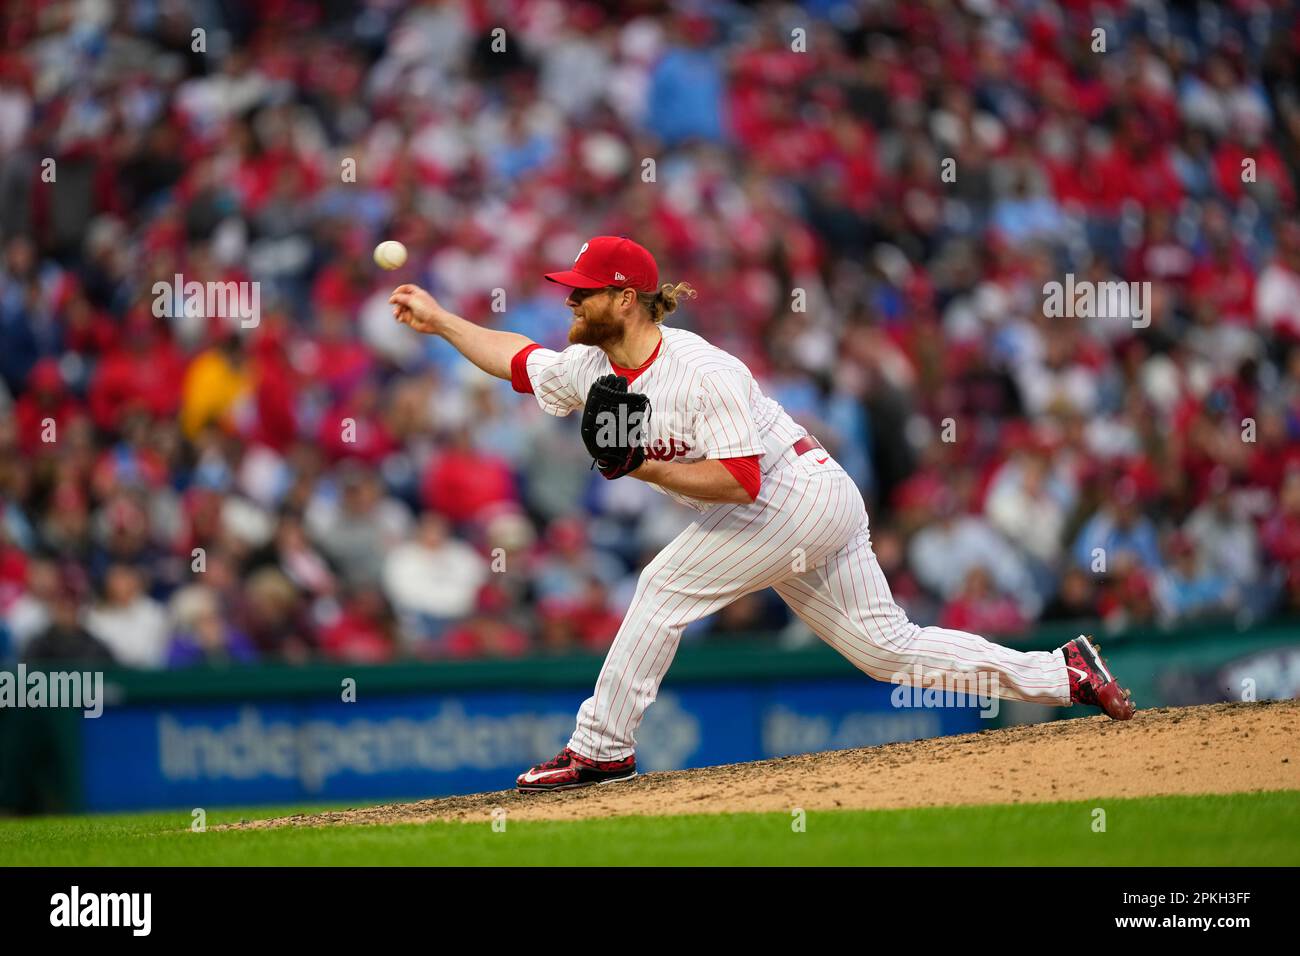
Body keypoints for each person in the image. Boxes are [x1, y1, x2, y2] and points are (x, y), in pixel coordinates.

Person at [389, 236, 1136, 793]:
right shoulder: (589, 366)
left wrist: (640, 465)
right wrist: (442, 320)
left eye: (583, 291)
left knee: (661, 588)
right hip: (804, 507)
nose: (569, 302)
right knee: (888, 652)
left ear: (624, 300)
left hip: (794, 495)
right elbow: (517, 358)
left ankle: (602, 746)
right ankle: (1061, 672)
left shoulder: (704, 370)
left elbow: (742, 482)